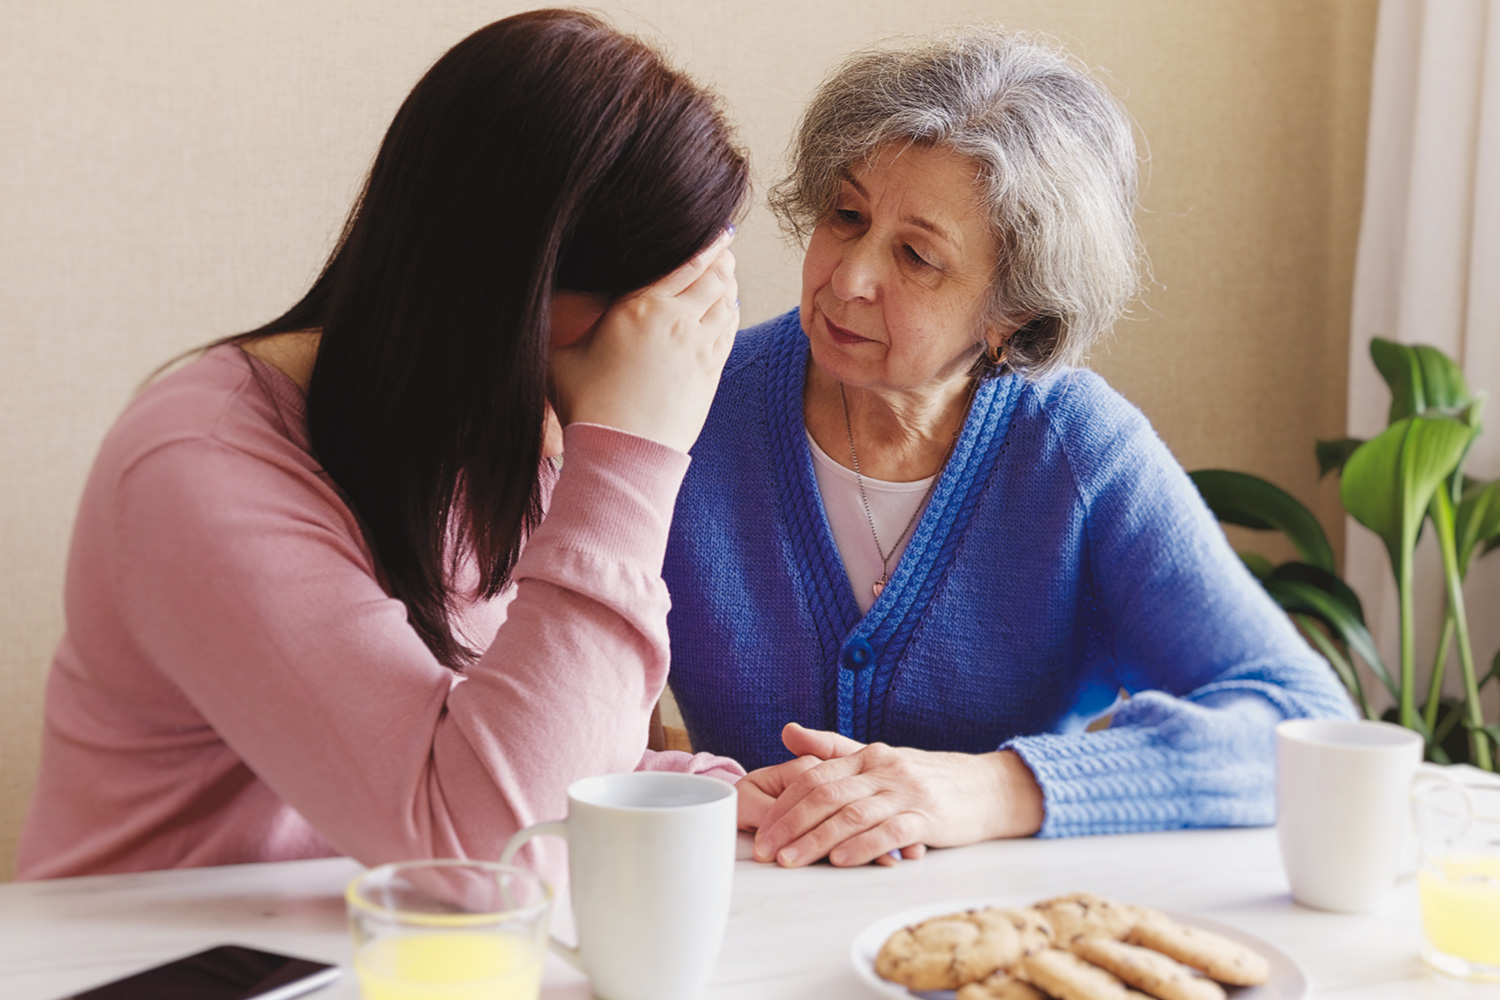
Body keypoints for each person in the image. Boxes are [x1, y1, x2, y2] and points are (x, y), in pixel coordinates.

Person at [17, 9, 749, 881]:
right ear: (504, 290)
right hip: (158, 965)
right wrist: (628, 456)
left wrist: (724, 793)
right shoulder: (196, 466)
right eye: (633, 324)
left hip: (375, 951)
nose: (649, 357)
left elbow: (518, 746)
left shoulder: (488, 438)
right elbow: (491, 853)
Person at [661, 26, 1354, 869]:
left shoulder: (1080, 453)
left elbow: (1301, 721)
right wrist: (682, 776)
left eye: (916, 256)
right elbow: (513, 700)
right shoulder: (686, 403)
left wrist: (995, 787)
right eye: (846, 216)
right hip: (736, 926)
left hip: (999, 942)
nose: (849, 277)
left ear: (1013, 314)